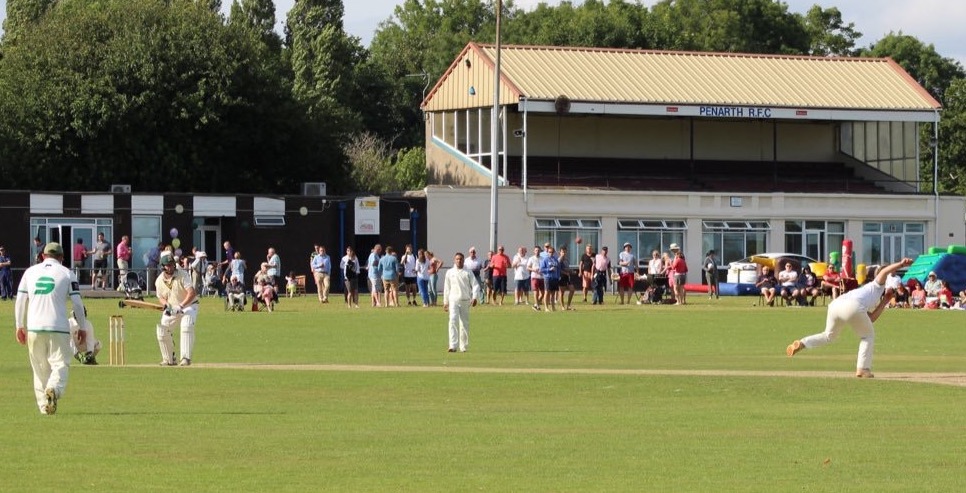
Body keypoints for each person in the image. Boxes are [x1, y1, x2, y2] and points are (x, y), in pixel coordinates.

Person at [786, 257, 914, 378]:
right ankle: (863, 369)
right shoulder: (877, 284)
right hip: (852, 306)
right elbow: (884, 271)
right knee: (867, 336)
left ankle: (802, 343)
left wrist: (885, 301)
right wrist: (901, 264)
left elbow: (871, 318)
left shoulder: (867, 291)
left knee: (828, 336)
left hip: (835, 305)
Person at [15, 242, 88, 415]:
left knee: (40, 369)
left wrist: (19, 326)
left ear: (43, 256)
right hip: (58, 327)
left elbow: (20, 301)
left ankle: (44, 407)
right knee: (60, 364)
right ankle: (54, 389)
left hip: (34, 327)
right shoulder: (67, 273)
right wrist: (82, 326)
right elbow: (77, 304)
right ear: (62, 257)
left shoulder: (29, 272)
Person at [155, 253, 199, 366]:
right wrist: (167, 305)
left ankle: (185, 358)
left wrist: (180, 306)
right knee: (162, 329)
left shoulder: (182, 274)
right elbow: (161, 297)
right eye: (168, 265)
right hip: (173, 308)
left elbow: (192, 293)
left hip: (189, 305)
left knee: (186, 325)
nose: (171, 267)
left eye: (172, 265)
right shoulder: (159, 281)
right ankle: (169, 359)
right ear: (162, 266)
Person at [442, 252, 480, 353]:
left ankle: (463, 346)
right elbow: (447, 288)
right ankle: (452, 345)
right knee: (452, 320)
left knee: (464, 324)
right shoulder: (450, 272)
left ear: (463, 260)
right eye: (457, 259)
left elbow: (475, 285)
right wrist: (445, 302)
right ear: (454, 260)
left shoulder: (468, 272)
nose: (459, 261)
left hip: (465, 300)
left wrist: (474, 297)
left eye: (461, 259)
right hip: (453, 300)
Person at [540, 245, 560, 312]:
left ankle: (553, 307)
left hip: (555, 278)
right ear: (547, 252)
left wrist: (558, 276)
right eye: (549, 252)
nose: (550, 253)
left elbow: (558, 269)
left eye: (552, 252)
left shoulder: (555, 259)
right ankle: (546, 307)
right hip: (548, 277)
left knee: (553, 293)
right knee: (547, 292)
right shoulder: (545, 259)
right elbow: (541, 269)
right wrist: (549, 269)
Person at [527, 245, 545, 311]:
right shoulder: (531, 258)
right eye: (536, 250)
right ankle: (537, 305)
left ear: (540, 251)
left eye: (538, 250)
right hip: (534, 277)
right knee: (536, 291)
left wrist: (542, 270)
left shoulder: (543, 258)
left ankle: (535, 304)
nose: (537, 251)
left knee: (542, 293)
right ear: (534, 251)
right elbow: (528, 267)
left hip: (541, 277)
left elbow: (544, 267)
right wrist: (534, 270)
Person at [558, 245, 576, 310]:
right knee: (562, 292)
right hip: (561, 277)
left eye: (565, 252)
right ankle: (562, 306)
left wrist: (571, 271)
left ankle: (568, 305)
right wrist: (565, 273)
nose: (564, 253)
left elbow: (567, 268)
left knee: (572, 290)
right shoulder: (559, 260)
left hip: (567, 277)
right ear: (560, 252)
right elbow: (558, 270)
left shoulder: (567, 259)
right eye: (562, 252)